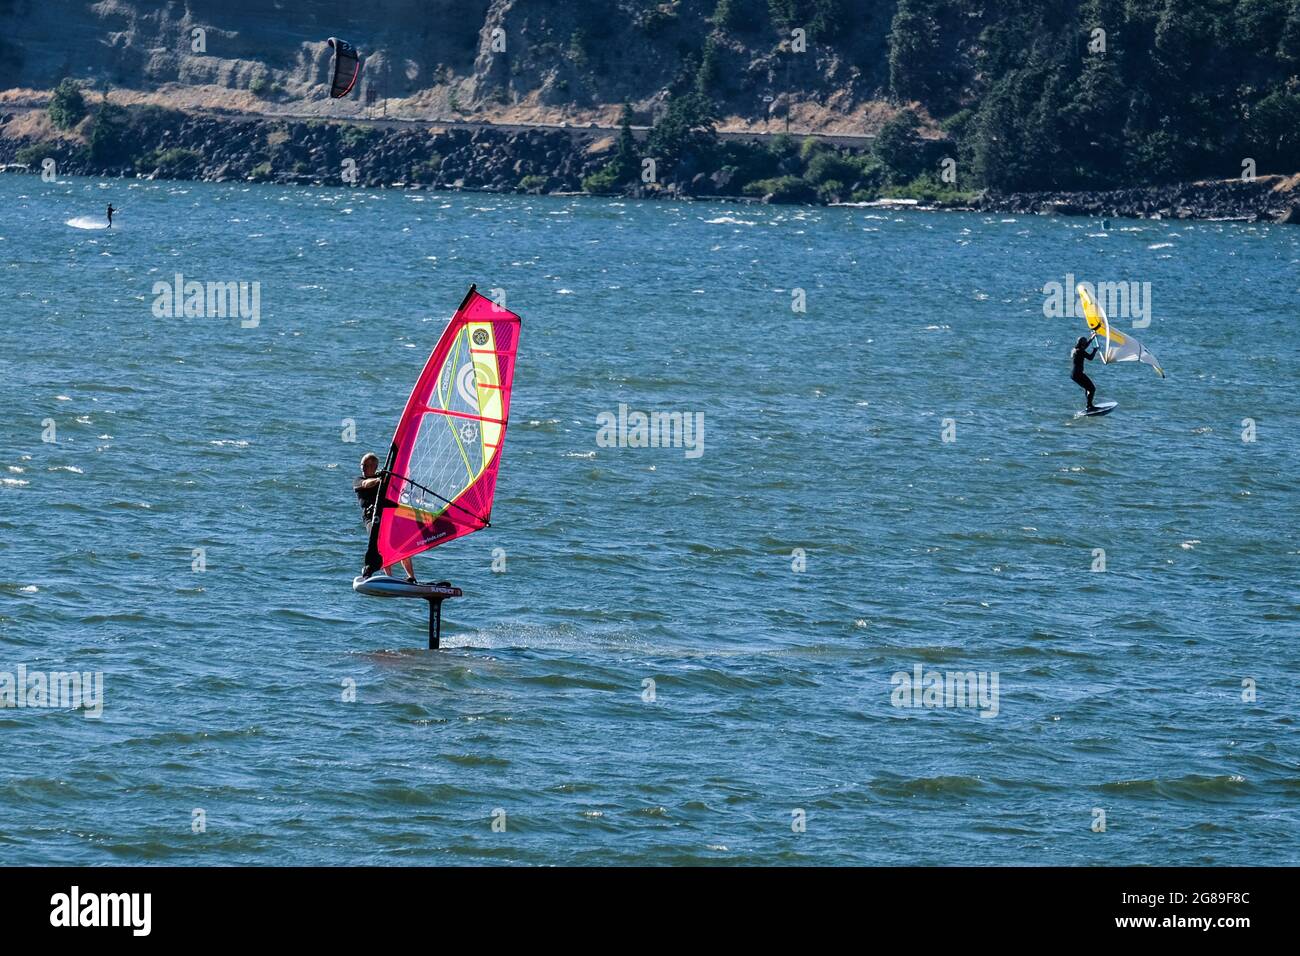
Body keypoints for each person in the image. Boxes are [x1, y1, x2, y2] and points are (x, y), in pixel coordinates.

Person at [354, 452, 416, 583]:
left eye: (366, 465)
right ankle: (389, 577)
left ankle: (411, 577)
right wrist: (379, 479)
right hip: (371, 518)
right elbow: (366, 484)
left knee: (401, 545)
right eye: (362, 465)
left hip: (387, 515)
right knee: (380, 545)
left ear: (374, 466)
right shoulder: (359, 480)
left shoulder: (383, 477)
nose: (363, 468)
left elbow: (399, 482)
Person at [1072, 334, 1100, 410]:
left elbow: (1085, 346)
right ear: (1082, 344)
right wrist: (1095, 350)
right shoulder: (1080, 351)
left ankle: (1089, 405)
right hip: (1078, 374)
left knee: (1088, 388)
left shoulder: (1076, 349)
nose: (1086, 343)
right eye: (1085, 342)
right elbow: (1090, 358)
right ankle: (1089, 406)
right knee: (1092, 389)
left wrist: (1091, 338)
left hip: (1074, 374)